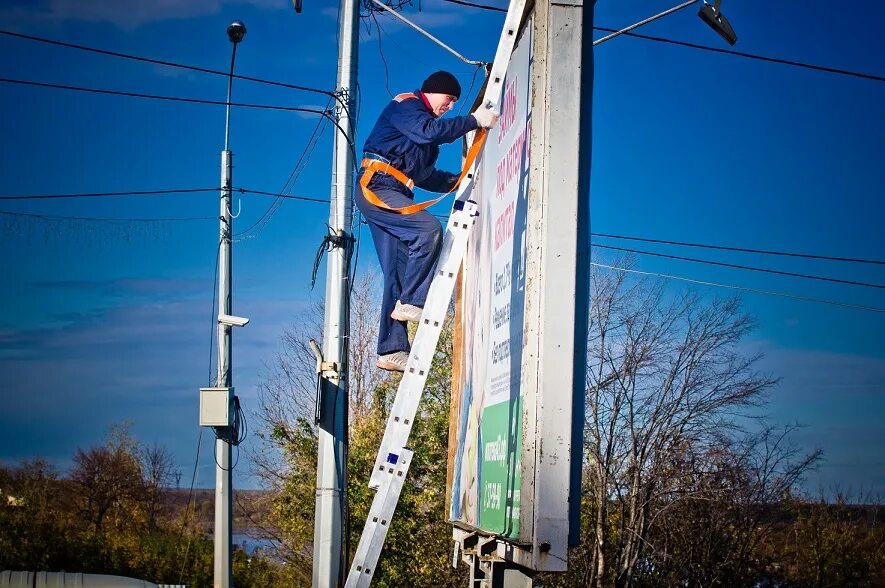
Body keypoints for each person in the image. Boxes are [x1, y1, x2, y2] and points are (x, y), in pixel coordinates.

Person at [356, 70, 498, 372]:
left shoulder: (424, 142)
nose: (450, 106)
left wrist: (459, 181)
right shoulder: (407, 105)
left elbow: (425, 176)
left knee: (398, 272)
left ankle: (391, 349)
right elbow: (429, 131)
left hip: (395, 190)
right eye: (449, 99)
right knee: (428, 229)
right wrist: (474, 121)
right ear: (432, 91)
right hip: (376, 186)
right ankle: (412, 300)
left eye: (454, 103)